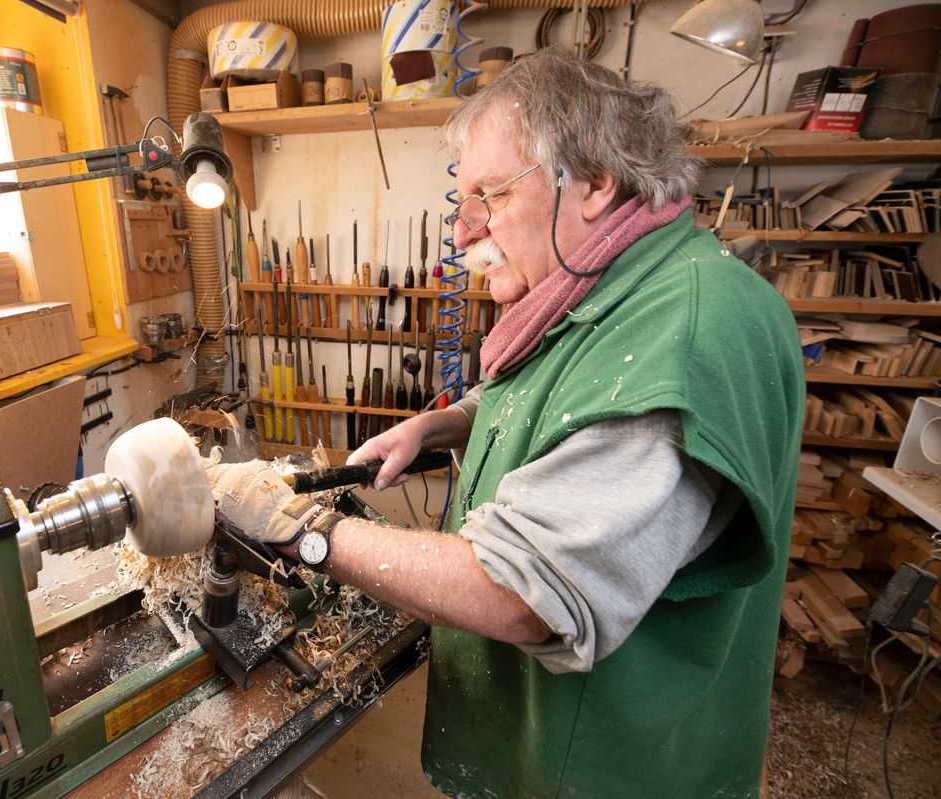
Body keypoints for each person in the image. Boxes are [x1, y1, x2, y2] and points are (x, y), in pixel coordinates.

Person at [207, 48, 804, 798]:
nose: (463, 234)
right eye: (463, 202)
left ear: (595, 182)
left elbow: (523, 593)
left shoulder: (686, 331)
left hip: (606, 769)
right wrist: (444, 424)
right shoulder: (613, 288)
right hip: (538, 738)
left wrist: (299, 530)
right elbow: (570, 389)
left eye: (490, 195)